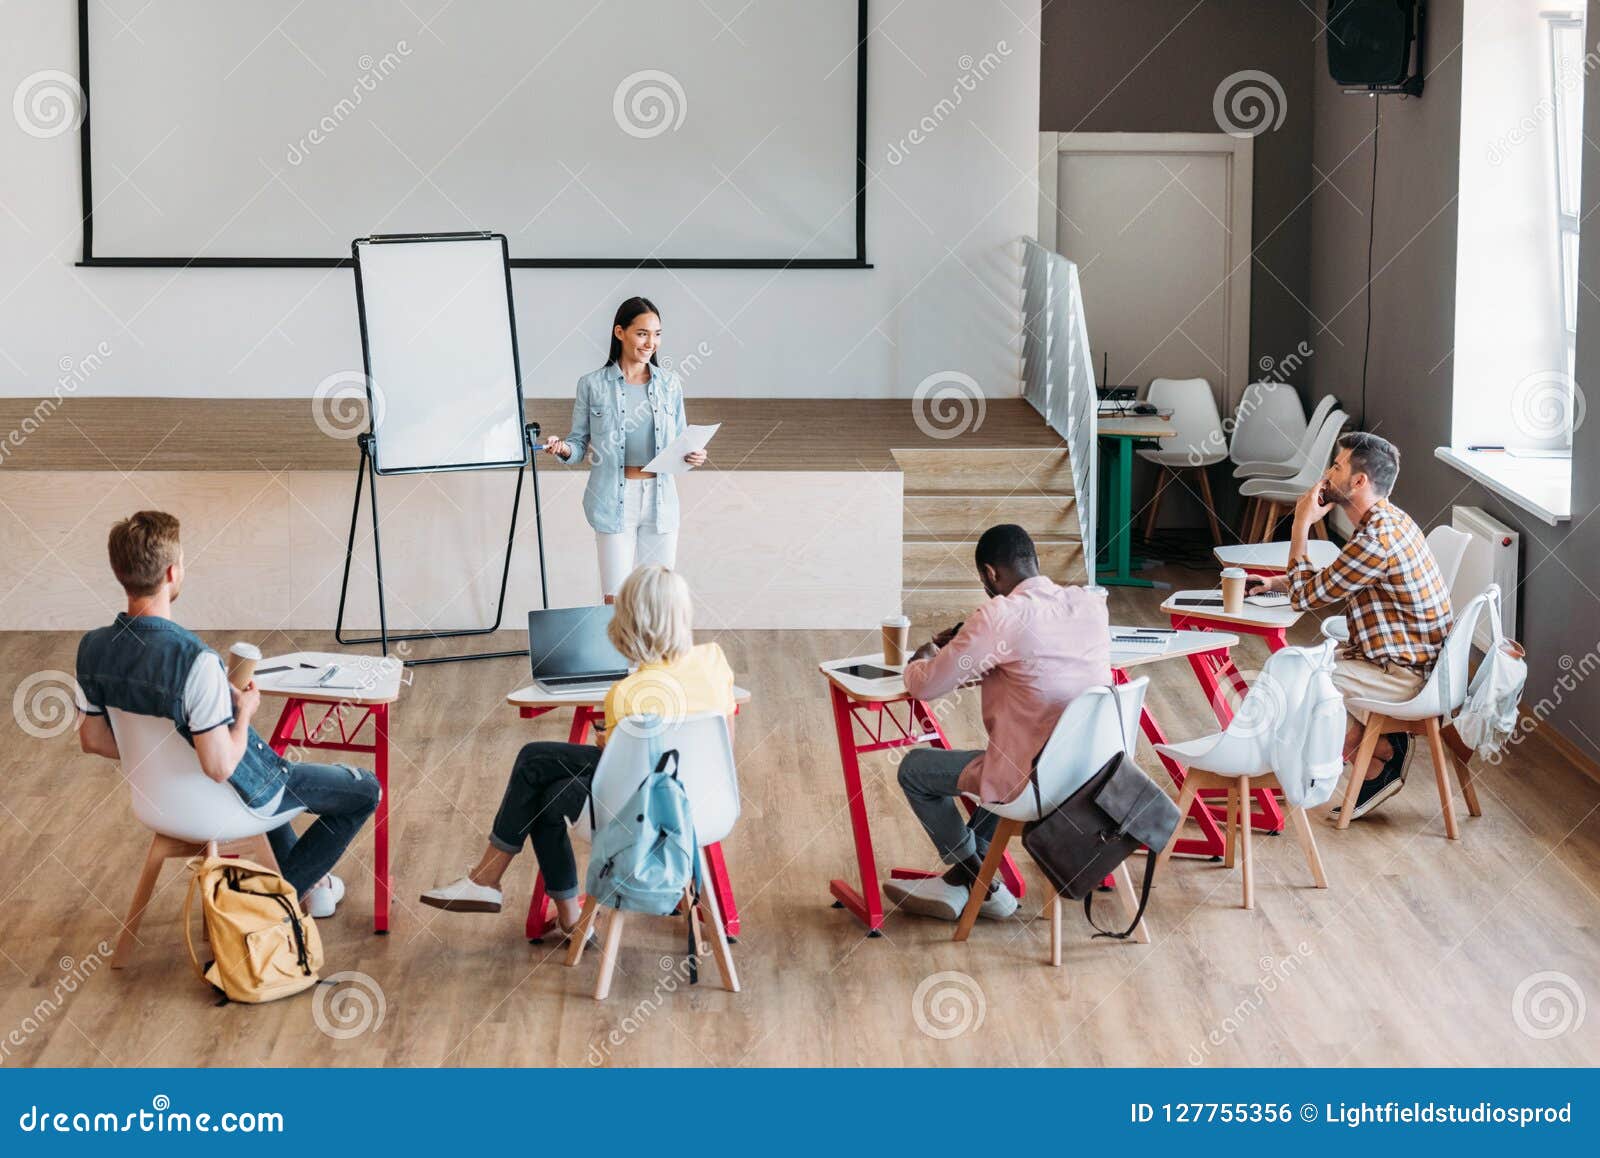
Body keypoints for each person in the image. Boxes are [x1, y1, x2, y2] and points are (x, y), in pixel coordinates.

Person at [74, 511, 380, 917]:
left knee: (272, 778)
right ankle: (280, 898)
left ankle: (311, 885)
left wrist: (178, 748)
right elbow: (220, 766)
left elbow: (93, 739)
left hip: (156, 805)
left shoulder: (91, 648)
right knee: (364, 790)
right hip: (224, 801)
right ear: (171, 573)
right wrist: (245, 712)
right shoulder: (195, 660)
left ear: (118, 571)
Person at [419, 565, 735, 937]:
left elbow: (622, 780)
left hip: (642, 814)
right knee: (544, 780)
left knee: (536, 769)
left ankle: (503, 886)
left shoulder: (628, 693)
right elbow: (723, 745)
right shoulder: (714, 660)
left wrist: (607, 741)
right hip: (708, 804)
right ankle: (529, 901)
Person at [885, 524, 1112, 922]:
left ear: (990, 574)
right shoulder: (1089, 604)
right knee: (998, 760)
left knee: (914, 770)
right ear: (1034, 561)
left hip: (1030, 780)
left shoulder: (999, 614)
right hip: (1094, 772)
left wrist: (922, 656)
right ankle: (960, 882)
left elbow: (928, 685)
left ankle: (979, 879)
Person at [1246, 432, 1452, 819]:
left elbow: (1305, 600)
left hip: (1404, 675)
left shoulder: (1375, 539)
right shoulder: (1389, 520)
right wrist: (1279, 581)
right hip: (1406, 658)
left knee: (1301, 683)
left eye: (1337, 466)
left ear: (1359, 482)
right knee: (1307, 671)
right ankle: (1380, 753)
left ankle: (1377, 759)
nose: (1326, 474)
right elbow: (1338, 576)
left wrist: (1301, 524)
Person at [542, 297, 707, 603]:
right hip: (612, 501)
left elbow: (683, 442)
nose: (651, 342)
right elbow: (579, 446)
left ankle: (650, 653)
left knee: (657, 598)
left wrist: (694, 455)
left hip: (661, 501)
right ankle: (618, 653)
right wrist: (564, 449)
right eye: (642, 333)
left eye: (657, 334)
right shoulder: (592, 385)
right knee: (615, 599)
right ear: (620, 332)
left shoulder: (670, 384)